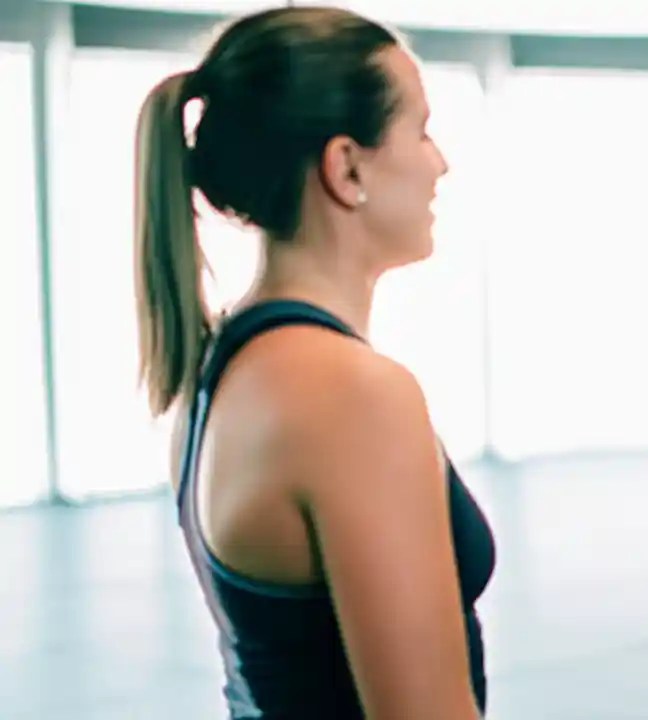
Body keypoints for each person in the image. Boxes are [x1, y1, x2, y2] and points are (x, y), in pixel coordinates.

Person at [133, 7, 493, 719]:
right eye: (420, 130)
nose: (440, 161)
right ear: (346, 166)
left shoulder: (219, 369)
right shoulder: (353, 395)